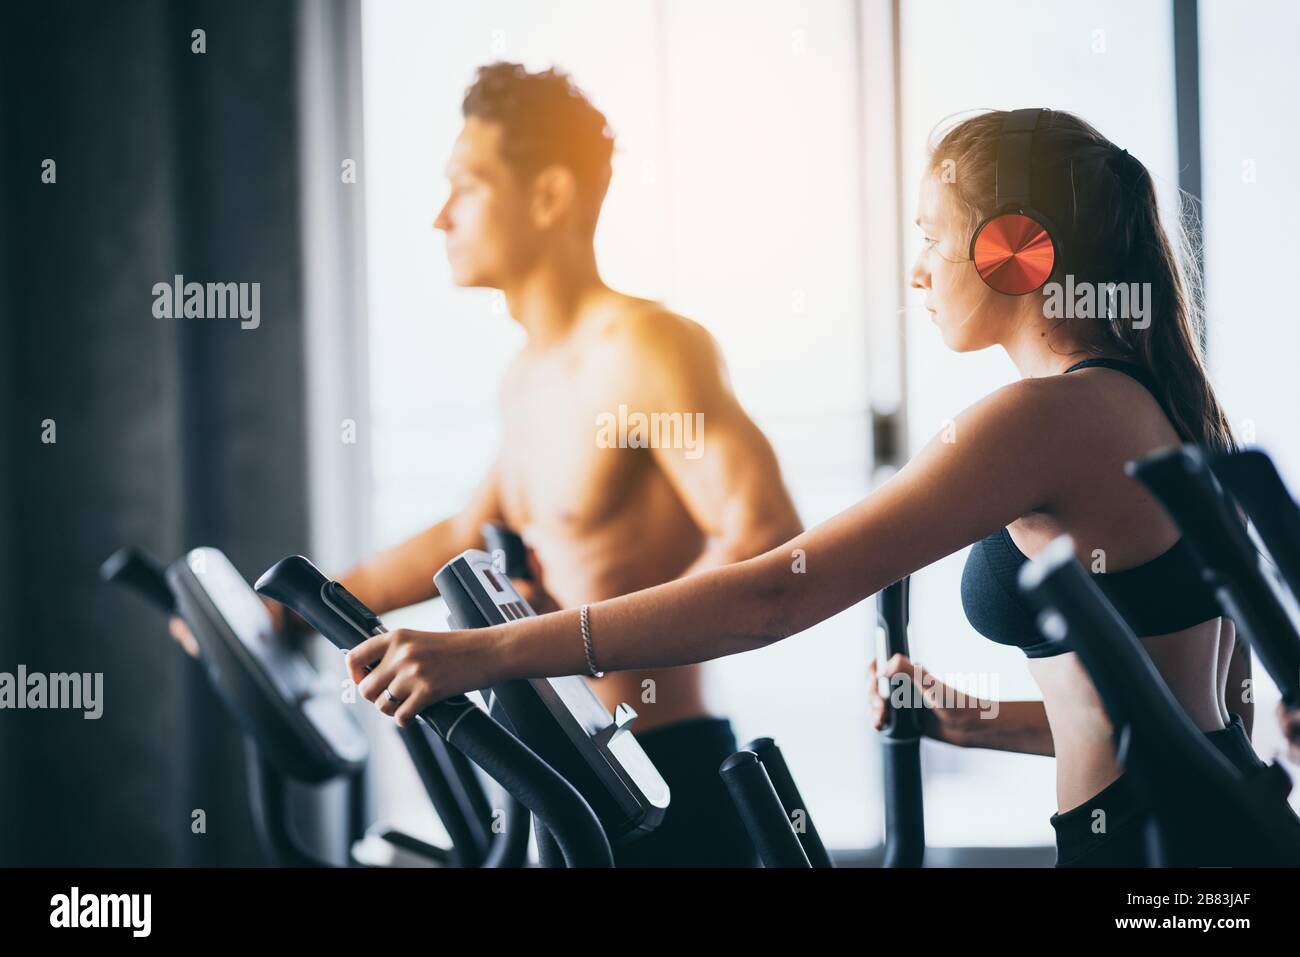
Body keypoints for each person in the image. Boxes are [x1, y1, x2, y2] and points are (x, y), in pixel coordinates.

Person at [348, 108, 1267, 868]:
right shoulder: (1147, 397)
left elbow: (773, 594)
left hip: (1154, 854)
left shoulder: (1041, 417)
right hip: (1199, 830)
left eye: (930, 237)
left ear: (1017, 251)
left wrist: (492, 654)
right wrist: (965, 717)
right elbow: (1194, 708)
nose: (916, 270)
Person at [173, 63, 802, 867]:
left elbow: (764, 538)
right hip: (567, 774)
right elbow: (467, 535)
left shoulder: (643, 351)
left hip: (661, 768)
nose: (441, 217)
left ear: (547, 196)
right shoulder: (533, 375)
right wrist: (291, 613)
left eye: (467, 186)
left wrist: (569, 639)